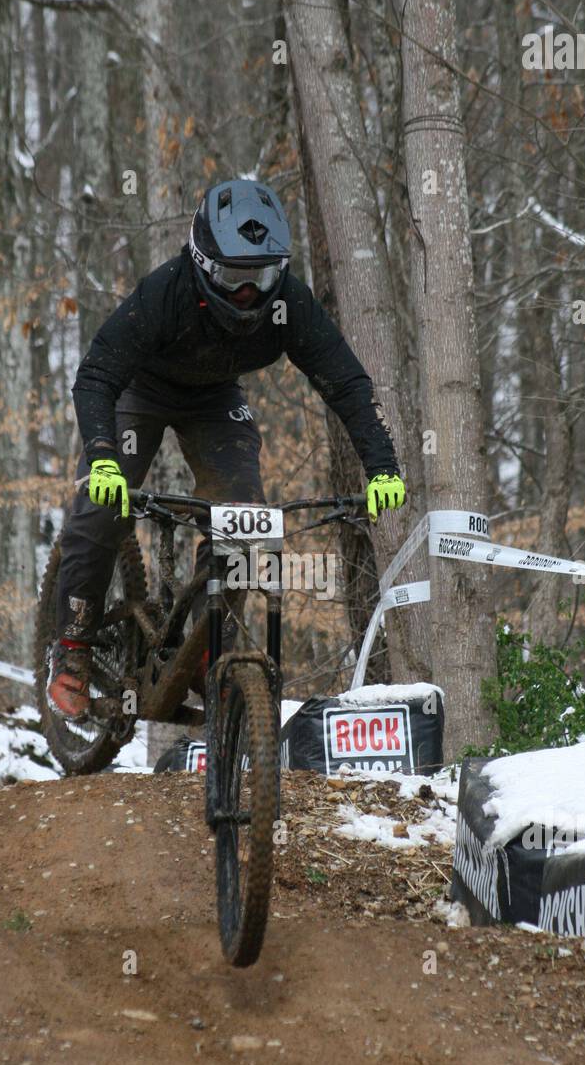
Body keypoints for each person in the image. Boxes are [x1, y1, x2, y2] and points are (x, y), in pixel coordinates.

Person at [48, 177, 406, 718]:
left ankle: (205, 643)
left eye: (261, 275)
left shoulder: (288, 303)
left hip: (216, 402)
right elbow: (96, 374)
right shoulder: (164, 293)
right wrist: (101, 457)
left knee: (240, 514)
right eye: (233, 276)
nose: (248, 293)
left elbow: (347, 384)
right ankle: (71, 646)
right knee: (103, 504)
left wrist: (382, 467)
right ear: (202, 262)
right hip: (140, 393)